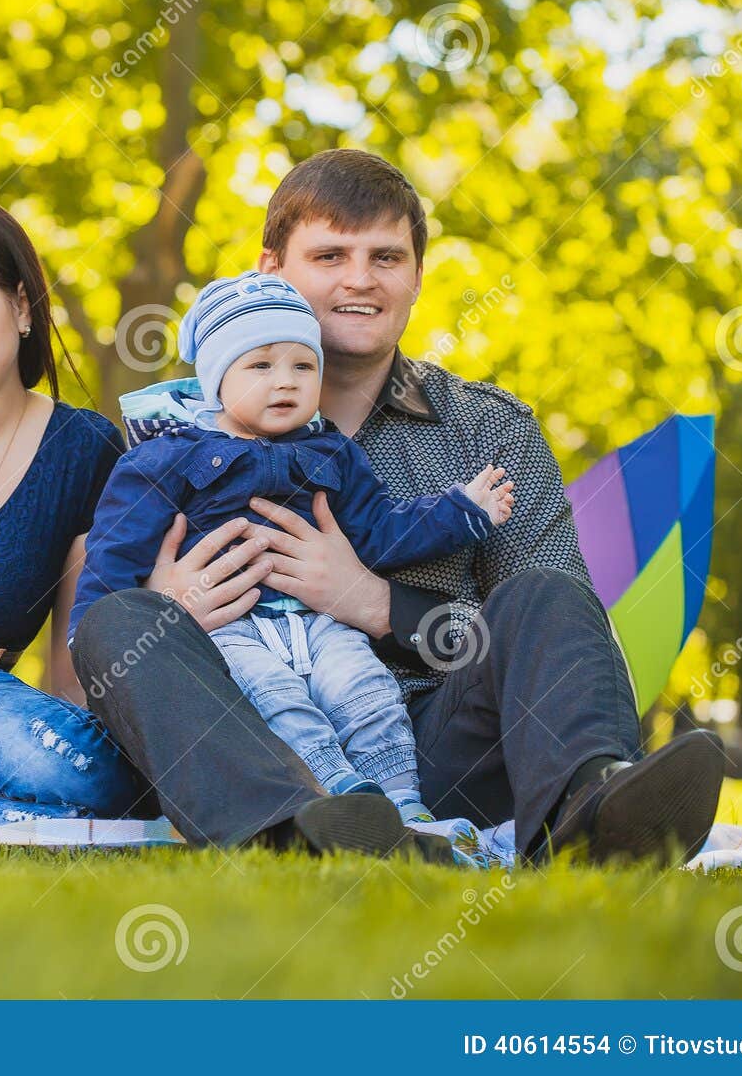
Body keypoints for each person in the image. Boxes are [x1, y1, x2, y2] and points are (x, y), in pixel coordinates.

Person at [69, 149, 724, 865]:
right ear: (269, 273)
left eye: (386, 256)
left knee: (550, 592)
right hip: (253, 732)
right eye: (329, 254)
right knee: (116, 618)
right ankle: (300, 829)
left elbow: (549, 639)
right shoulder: (181, 441)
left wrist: (374, 602)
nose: (359, 279)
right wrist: (165, 610)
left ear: (416, 277)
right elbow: (107, 620)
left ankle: (594, 810)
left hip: (441, 749)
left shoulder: (490, 430)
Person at [72, 270, 513, 825]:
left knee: (367, 690)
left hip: (321, 621)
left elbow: (380, 531)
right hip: (231, 627)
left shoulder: (333, 453)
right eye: (260, 365)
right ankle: (331, 794)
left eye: (303, 366)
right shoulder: (165, 458)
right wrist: (92, 634)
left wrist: (461, 511)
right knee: (273, 697)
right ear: (216, 378)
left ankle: (403, 803)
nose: (285, 382)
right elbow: (116, 549)